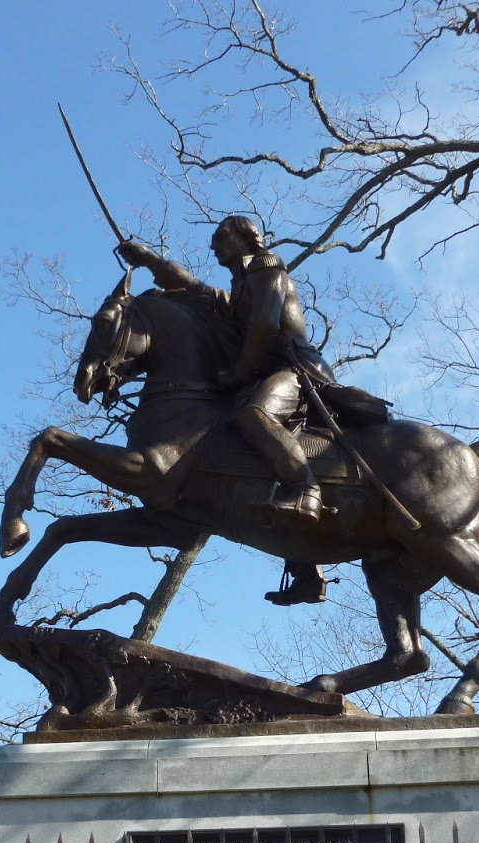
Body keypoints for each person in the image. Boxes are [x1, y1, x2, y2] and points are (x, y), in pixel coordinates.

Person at [118, 216, 331, 606]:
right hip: (262, 375)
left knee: (253, 417)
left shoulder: (269, 269)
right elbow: (191, 286)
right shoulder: (237, 290)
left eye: (221, 237)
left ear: (247, 238)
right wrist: (148, 258)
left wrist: (235, 371)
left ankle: (307, 490)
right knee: (238, 448)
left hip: (294, 371)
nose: (214, 245)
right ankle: (306, 567)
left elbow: (266, 326)